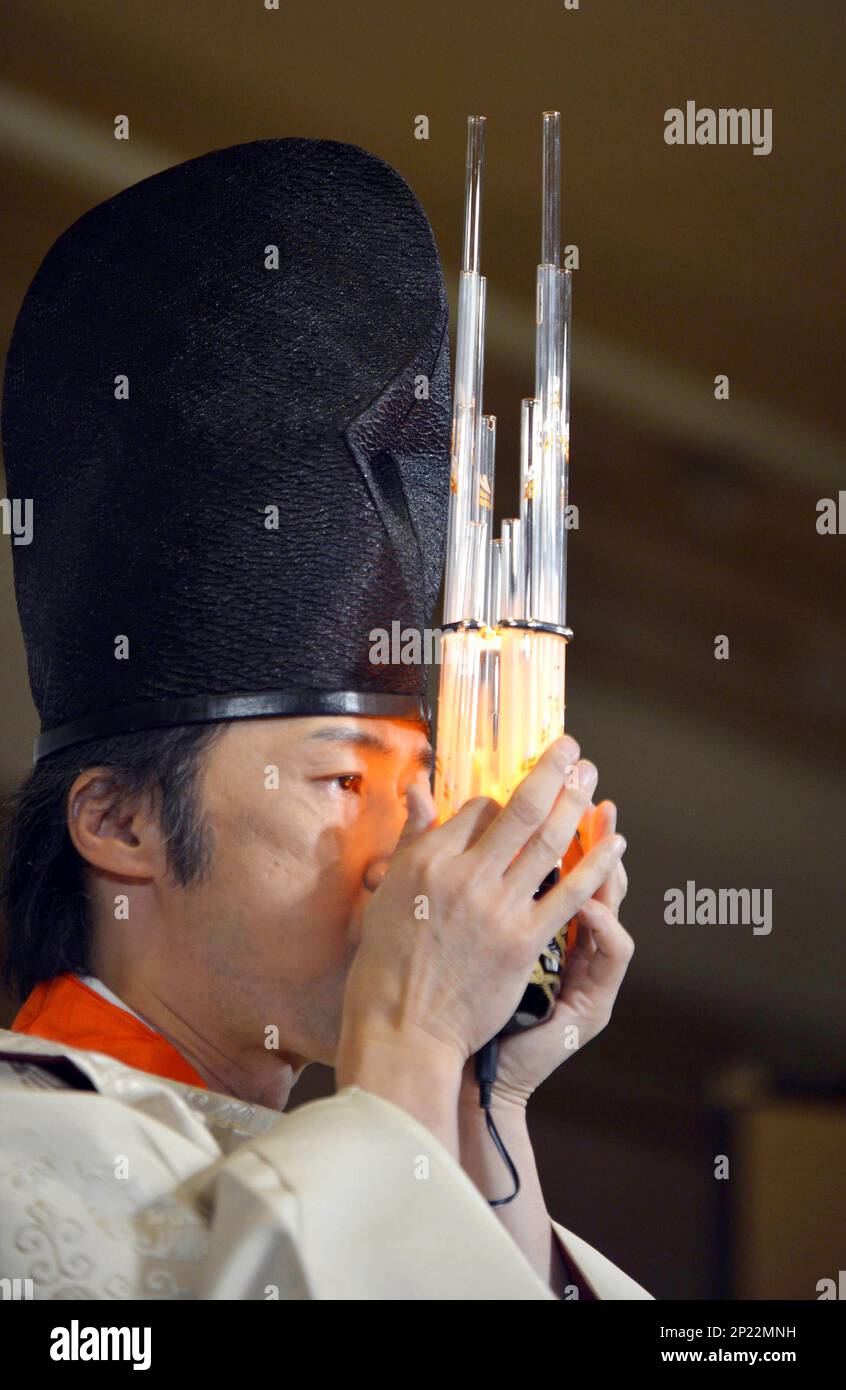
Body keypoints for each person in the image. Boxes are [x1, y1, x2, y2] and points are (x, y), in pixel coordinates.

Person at [0, 136, 652, 1301]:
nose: (413, 852)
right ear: (120, 822)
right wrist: (404, 1040)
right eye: (341, 783)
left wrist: (475, 1099)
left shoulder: (361, 1130)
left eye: (419, 788)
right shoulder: (23, 1161)